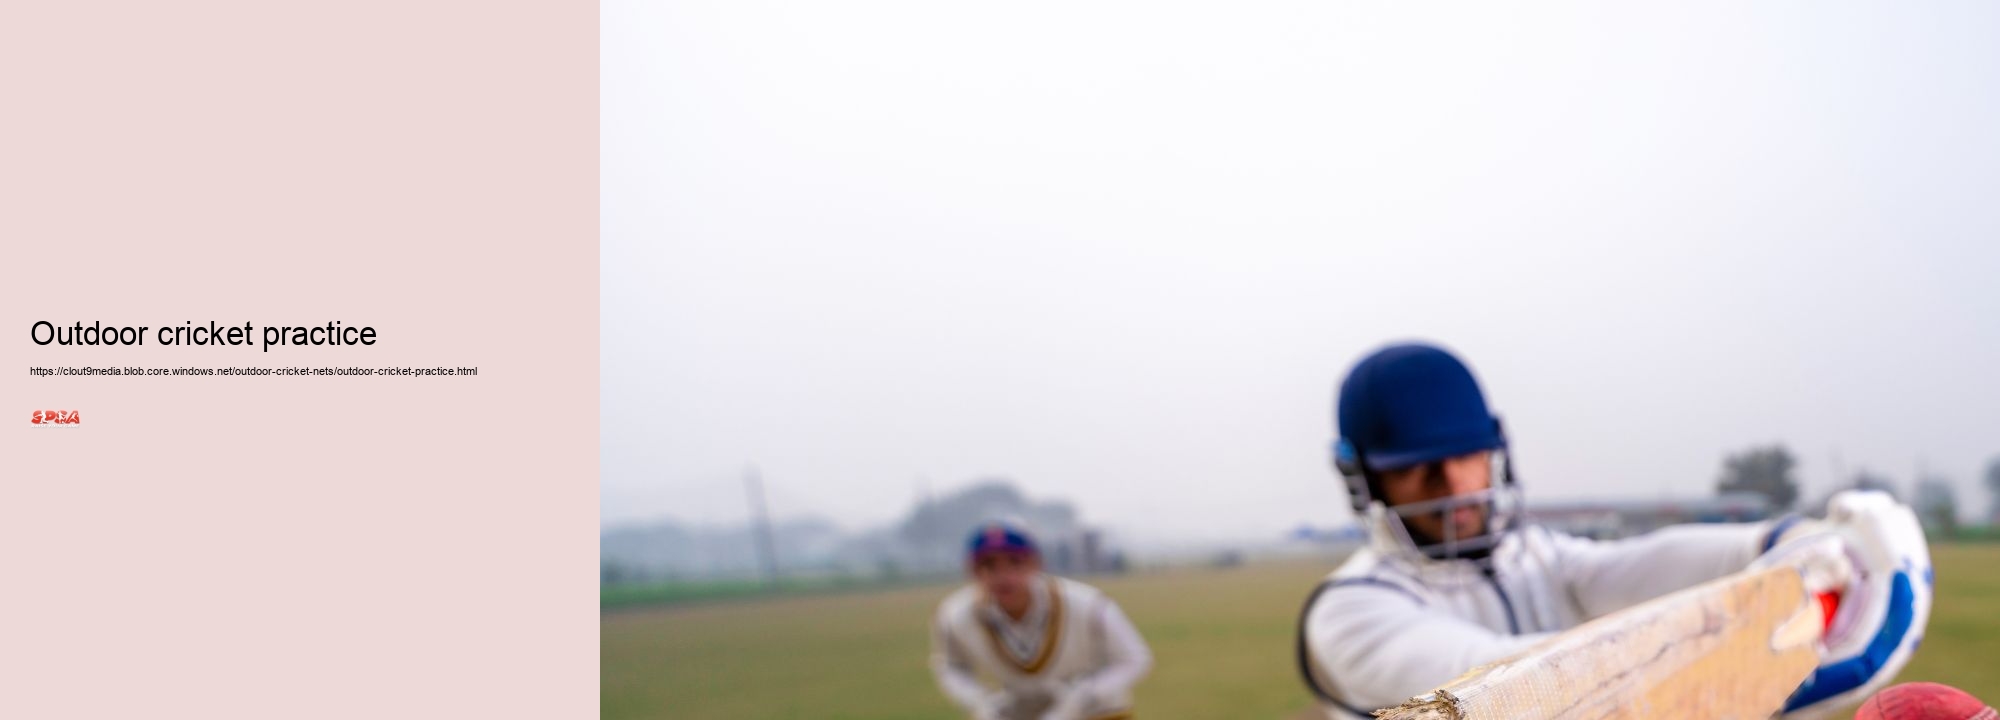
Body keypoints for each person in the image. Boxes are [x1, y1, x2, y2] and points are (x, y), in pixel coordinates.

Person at [1297, 342, 1932, 719]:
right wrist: (1753, 668)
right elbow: (1509, 690)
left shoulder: (1533, 557)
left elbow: (1629, 566)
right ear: (1366, 480)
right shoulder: (1351, 611)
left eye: (1469, 456)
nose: (1457, 485)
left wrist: (1786, 544)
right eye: (1418, 469)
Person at [931, 521, 1153, 720]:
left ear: (1035, 563)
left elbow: (1136, 658)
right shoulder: (955, 615)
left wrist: (1082, 698)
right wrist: (980, 700)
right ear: (973, 570)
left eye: (1014, 563)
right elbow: (950, 667)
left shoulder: (1088, 604)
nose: (1003, 576)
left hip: (1098, 712)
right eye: (989, 565)